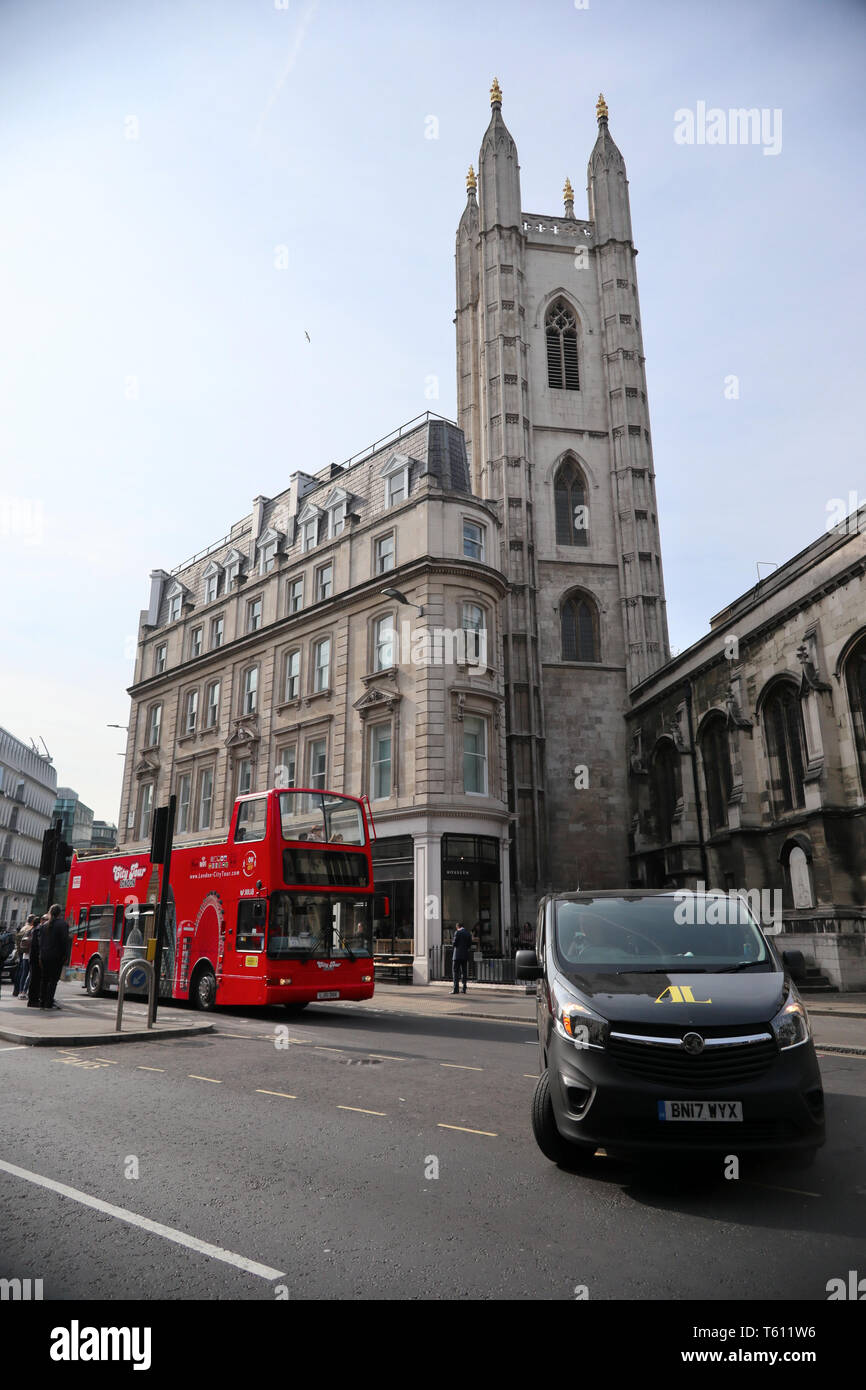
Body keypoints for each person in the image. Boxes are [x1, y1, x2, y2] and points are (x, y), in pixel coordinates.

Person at [38, 904, 70, 1010]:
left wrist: (40, 955)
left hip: (44, 956)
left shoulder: (44, 925)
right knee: (53, 980)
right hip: (57, 956)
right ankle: (49, 1001)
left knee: (44, 979)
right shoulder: (63, 925)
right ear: (60, 913)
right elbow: (65, 941)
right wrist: (66, 955)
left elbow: (40, 943)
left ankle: (42, 1001)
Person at [12, 915, 37, 997]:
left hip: (22, 952)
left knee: (22, 972)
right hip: (28, 953)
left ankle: (18, 990)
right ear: (33, 921)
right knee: (29, 973)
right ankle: (23, 991)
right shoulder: (31, 929)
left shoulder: (23, 928)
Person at [26, 916, 47, 1007]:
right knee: (35, 979)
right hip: (35, 958)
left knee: (34, 979)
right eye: (46, 920)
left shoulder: (34, 930)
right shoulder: (38, 930)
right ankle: (33, 1000)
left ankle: (33, 999)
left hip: (33, 957)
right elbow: (38, 945)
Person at [451, 921, 473, 995]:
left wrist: (453, 942)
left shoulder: (457, 932)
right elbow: (470, 944)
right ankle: (464, 988)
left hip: (457, 955)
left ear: (457, 926)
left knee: (455, 972)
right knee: (464, 971)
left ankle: (455, 989)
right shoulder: (468, 933)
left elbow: (454, 943)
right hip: (465, 955)